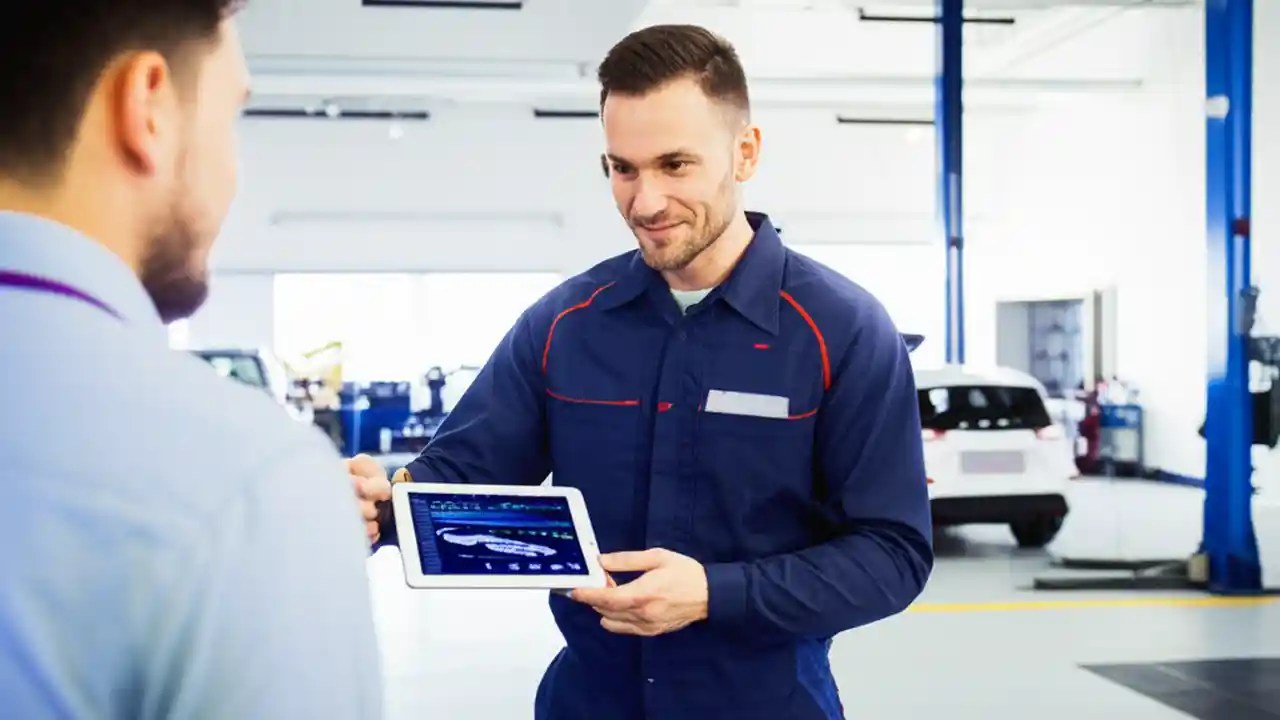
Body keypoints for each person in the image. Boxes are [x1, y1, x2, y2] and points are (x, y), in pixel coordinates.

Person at [353, 24, 932, 720]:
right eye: (622, 168)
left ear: (744, 153)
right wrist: (379, 504)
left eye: (675, 164)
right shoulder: (563, 326)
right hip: (588, 702)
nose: (645, 201)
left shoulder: (843, 333)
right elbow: (462, 472)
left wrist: (717, 592)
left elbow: (892, 554)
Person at [0, 3, 382, 718]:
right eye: (230, 117)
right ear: (148, 107)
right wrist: (289, 511)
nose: (232, 175)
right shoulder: (249, 480)